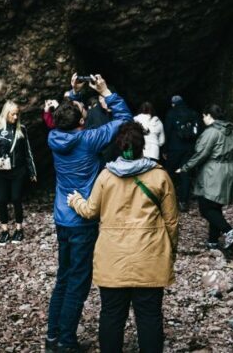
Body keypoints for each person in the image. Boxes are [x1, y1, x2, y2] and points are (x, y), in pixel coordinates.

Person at [66, 122, 178, 353]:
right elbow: (171, 221)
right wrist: (170, 252)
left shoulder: (106, 177)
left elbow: (90, 211)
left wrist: (75, 200)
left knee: (111, 314)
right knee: (149, 316)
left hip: (112, 257)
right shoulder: (160, 177)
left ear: (120, 146)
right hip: (150, 256)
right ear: (142, 146)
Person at [45, 74, 133, 352]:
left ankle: (52, 337)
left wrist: (72, 93)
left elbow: (63, 115)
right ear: (82, 122)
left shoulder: (53, 136)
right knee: (77, 282)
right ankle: (66, 342)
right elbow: (125, 119)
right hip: (83, 218)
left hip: (62, 216)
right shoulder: (89, 139)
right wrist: (106, 91)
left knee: (63, 277)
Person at [176, 104, 233, 250]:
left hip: (214, 172)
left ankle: (229, 231)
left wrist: (185, 168)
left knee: (206, 208)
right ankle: (213, 242)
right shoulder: (232, 133)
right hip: (230, 170)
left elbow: (201, 153)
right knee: (216, 206)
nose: (202, 119)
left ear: (209, 116)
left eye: (203, 116)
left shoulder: (212, 132)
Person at [0, 100, 37, 245]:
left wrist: (32, 172)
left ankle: (19, 229)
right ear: (6, 114)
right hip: (1, 172)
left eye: (17, 114)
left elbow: (28, 152)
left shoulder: (22, 129)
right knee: (2, 200)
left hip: (18, 171)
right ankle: (4, 230)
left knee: (16, 198)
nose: (15, 117)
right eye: (13, 114)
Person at [163, 95, 201, 211]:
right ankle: (183, 202)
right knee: (185, 174)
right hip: (189, 149)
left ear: (173, 103)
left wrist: (164, 149)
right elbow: (198, 131)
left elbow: (167, 132)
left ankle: (167, 200)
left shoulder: (171, 113)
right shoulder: (192, 113)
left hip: (174, 149)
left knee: (169, 174)